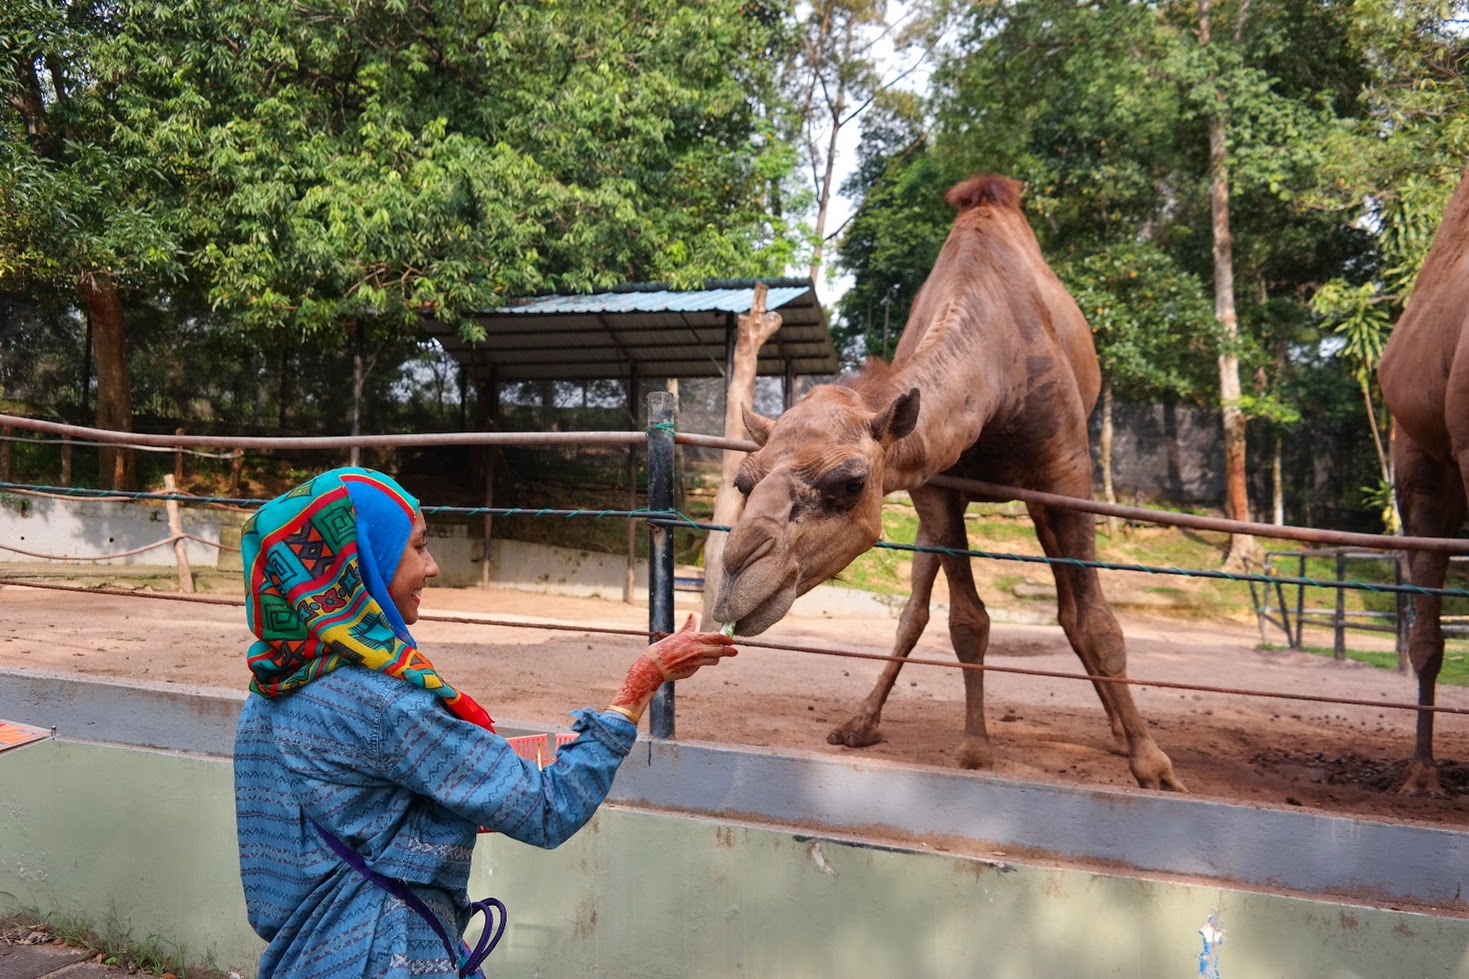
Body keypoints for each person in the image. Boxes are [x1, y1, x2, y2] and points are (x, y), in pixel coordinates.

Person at [233, 467, 736, 978]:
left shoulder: (271, 687)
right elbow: (549, 808)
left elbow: (347, 809)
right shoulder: (388, 706)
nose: (432, 567)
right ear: (361, 561)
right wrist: (637, 688)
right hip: (387, 955)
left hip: (303, 958)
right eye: (417, 547)